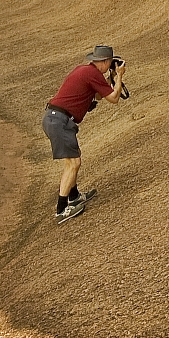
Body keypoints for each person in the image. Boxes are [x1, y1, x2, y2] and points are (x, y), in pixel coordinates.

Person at [45, 45, 127, 222]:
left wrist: (112, 79)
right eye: (111, 63)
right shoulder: (92, 74)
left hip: (55, 119)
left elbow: (98, 96)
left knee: (73, 158)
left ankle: (74, 196)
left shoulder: (86, 71)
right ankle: (61, 209)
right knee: (74, 163)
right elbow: (113, 99)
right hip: (60, 121)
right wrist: (119, 76)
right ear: (105, 62)